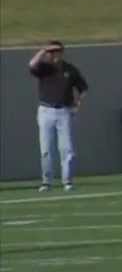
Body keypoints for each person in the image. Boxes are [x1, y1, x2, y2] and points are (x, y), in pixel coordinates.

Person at [28, 40, 88, 192]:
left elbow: (83, 88)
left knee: (67, 149)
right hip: (45, 111)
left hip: (64, 111)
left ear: (62, 52)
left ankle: (67, 181)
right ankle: (46, 182)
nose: (54, 54)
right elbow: (32, 64)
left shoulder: (70, 70)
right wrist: (43, 50)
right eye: (51, 52)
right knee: (46, 149)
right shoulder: (44, 68)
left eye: (56, 51)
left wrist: (77, 104)